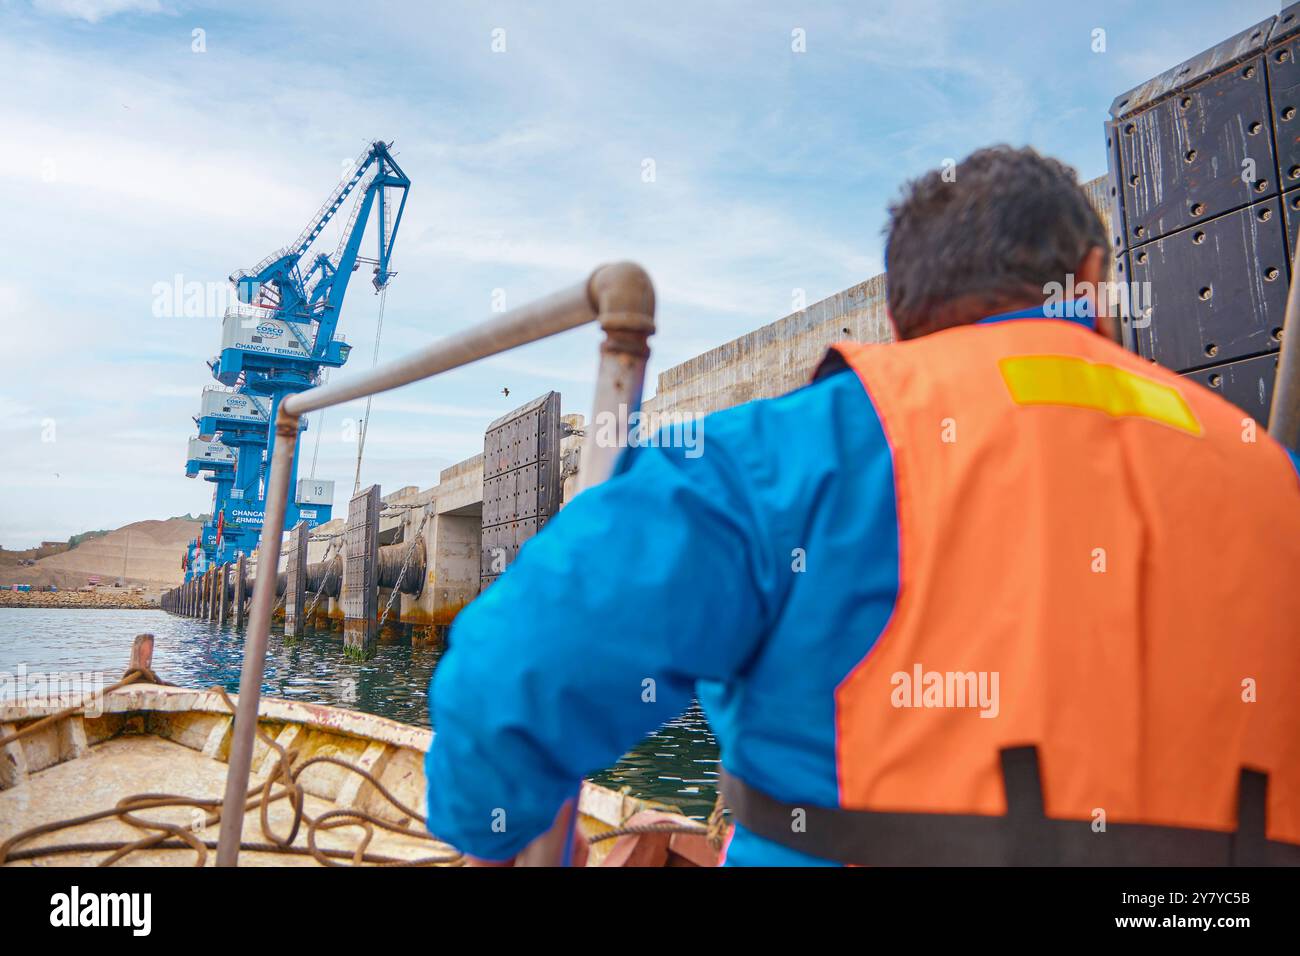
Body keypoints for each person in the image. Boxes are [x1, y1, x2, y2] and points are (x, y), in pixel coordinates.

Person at [424, 146, 1300, 866]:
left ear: (896, 309)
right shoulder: (1270, 473)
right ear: (1097, 282)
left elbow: (503, 684)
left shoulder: (781, 456)